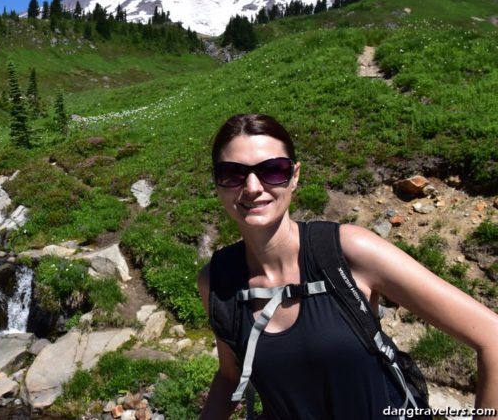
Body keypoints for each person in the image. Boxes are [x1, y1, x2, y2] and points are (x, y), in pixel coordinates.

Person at [198, 113, 498, 419]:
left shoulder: (347, 251)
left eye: (273, 170)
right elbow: (229, 376)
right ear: (217, 183)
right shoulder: (219, 281)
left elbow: (492, 336)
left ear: (295, 176)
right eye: (232, 173)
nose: (251, 187)